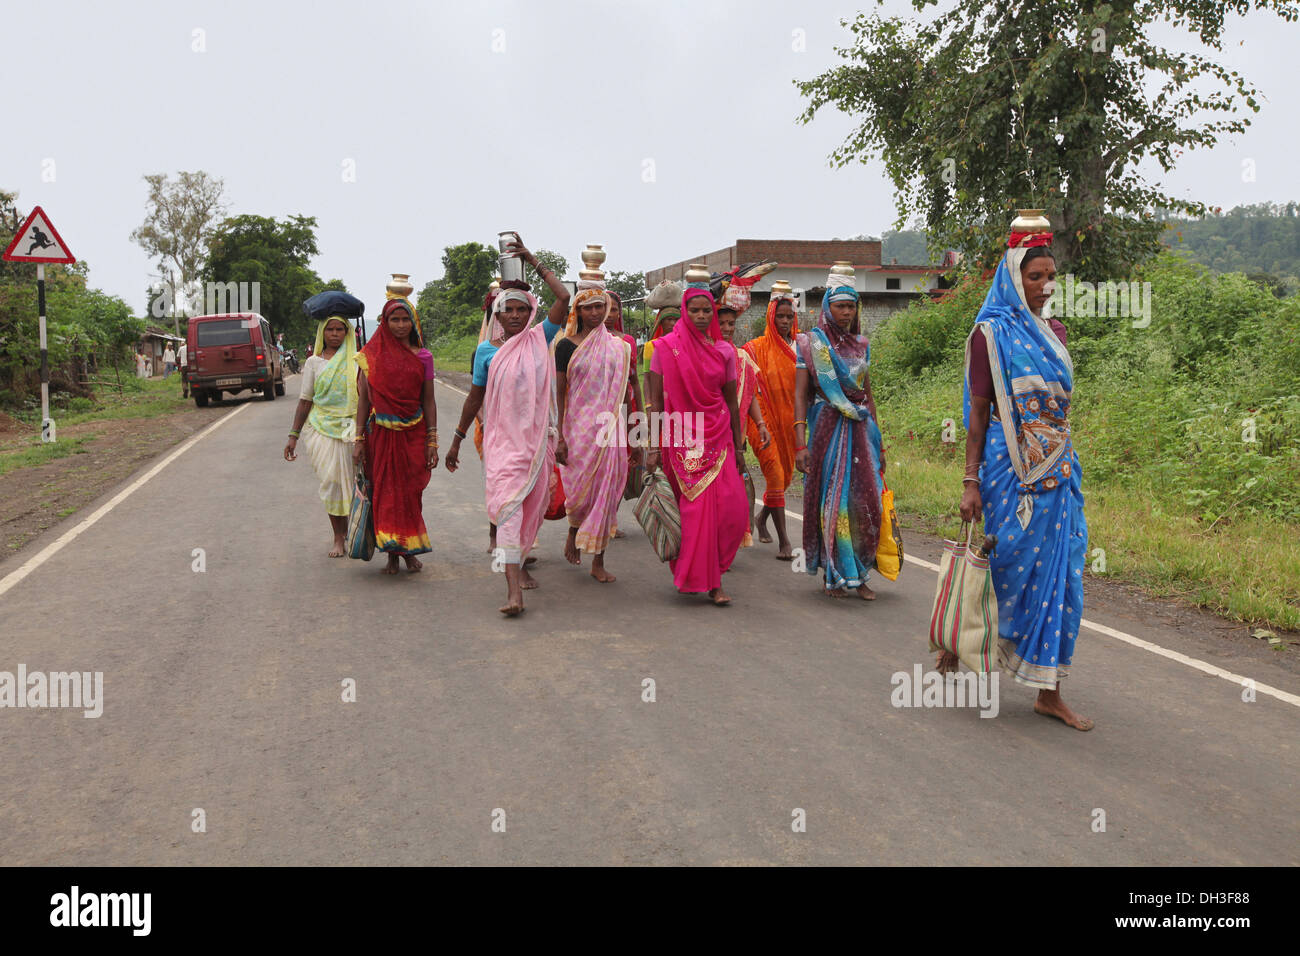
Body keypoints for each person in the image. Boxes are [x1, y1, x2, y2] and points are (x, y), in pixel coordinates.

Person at [946, 216, 1092, 731]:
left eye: (1051, 276)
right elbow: (979, 416)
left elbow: (1059, 410)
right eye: (1035, 276)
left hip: (1060, 478)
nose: (1045, 286)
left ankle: (1049, 690)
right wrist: (969, 481)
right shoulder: (990, 335)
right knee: (1004, 565)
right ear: (1013, 277)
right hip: (1010, 476)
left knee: (1063, 577)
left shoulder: (1056, 333)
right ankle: (959, 641)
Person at [446, 290, 558, 616]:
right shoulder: (485, 352)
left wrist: (531, 258)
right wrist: (457, 439)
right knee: (509, 513)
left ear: (531, 312)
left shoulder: (540, 338)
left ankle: (517, 562)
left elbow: (564, 297)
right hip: (501, 446)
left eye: (521, 309)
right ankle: (513, 592)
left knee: (533, 512)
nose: (514, 315)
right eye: (507, 310)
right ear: (497, 317)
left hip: (536, 443)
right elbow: (474, 398)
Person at [644, 288, 748, 606]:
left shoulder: (725, 351)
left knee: (734, 510)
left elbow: (731, 402)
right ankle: (710, 583)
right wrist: (652, 446)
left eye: (707, 311)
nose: (702, 316)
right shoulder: (665, 349)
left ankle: (709, 571)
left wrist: (740, 447)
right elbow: (657, 403)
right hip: (683, 441)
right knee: (698, 513)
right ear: (685, 312)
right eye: (695, 310)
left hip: (719, 436)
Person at [793, 276, 886, 600]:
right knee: (832, 502)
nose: (846, 312)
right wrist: (800, 443)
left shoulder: (862, 344)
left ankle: (860, 572)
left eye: (851, 306)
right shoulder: (810, 344)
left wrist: (879, 440)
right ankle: (835, 573)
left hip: (861, 430)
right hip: (826, 429)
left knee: (866, 501)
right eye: (840, 306)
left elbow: (868, 395)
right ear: (828, 309)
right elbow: (800, 395)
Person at [554, 287, 636, 582]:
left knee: (609, 493)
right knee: (579, 493)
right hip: (578, 430)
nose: (595, 313)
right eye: (588, 308)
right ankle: (573, 532)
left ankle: (598, 561)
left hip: (611, 429)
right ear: (577, 311)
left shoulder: (619, 347)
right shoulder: (566, 347)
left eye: (600, 306)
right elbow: (559, 393)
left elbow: (624, 393)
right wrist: (560, 435)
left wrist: (632, 433)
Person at [353, 297, 437, 574]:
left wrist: (432, 440)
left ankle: (409, 550)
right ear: (384, 323)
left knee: (411, 494)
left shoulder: (423, 357)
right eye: (394, 320)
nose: (401, 325)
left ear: (414, 323)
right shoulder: (372, 356)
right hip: (381, 435)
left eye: (405, 320)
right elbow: (364, 402)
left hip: (414, 433)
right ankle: (392, 554)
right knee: (386, 494)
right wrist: (358, 440)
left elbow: (429, 401)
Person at [284, 316, 358, 557]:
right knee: (331, 482)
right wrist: (293, 435)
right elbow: (305, 399)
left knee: (354, 482)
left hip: (350, 425)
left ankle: (357, 532)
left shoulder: (357, 361)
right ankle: (338, 537)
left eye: (340, 329)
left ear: (347, 333)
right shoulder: (314, 363)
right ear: (322, 334)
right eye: (330, 330)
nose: (335, 334)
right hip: (320, 427)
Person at [745, 292, 799, 558]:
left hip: (791, 422)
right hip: (761, 422)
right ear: (770, 317)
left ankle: (761, 517)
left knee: (784, 478)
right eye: (780, 316)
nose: (785, 321)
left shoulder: (799, 348)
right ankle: (785, 542)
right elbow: (746, 384)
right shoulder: (755, 349)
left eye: (790, 316)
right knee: (776, 475)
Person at [716, 298, 770, 549]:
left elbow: (750, 395)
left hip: (734, 439)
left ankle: (728, 540)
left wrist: (760, 424)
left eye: (731, 323)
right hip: (708, 435)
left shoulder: (742, 357)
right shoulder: (705, 354)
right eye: (722, 323)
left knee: (736, 491)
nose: (727, 328)